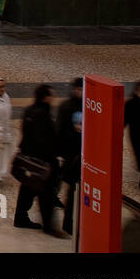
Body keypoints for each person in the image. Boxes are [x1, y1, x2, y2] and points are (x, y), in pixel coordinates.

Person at [15, 84, 66, 237]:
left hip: (29, 159)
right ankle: (49, 226)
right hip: (42, 162)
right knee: (46, 194)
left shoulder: (30, 110)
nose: (53, 98)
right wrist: (53, 157)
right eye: (51, 95)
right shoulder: (42, 114)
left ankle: (20, 217)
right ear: (46, 97)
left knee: (27, 188)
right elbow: (44, 140)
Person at [56, 77, 83, 235]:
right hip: (70, 155)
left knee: (74, 190)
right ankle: (68, 223)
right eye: (78, 89)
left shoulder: (88, 106)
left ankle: (71, 222)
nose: (80, 92)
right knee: (71, 189)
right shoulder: (66, 107)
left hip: (81, 155)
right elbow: (60, 131)